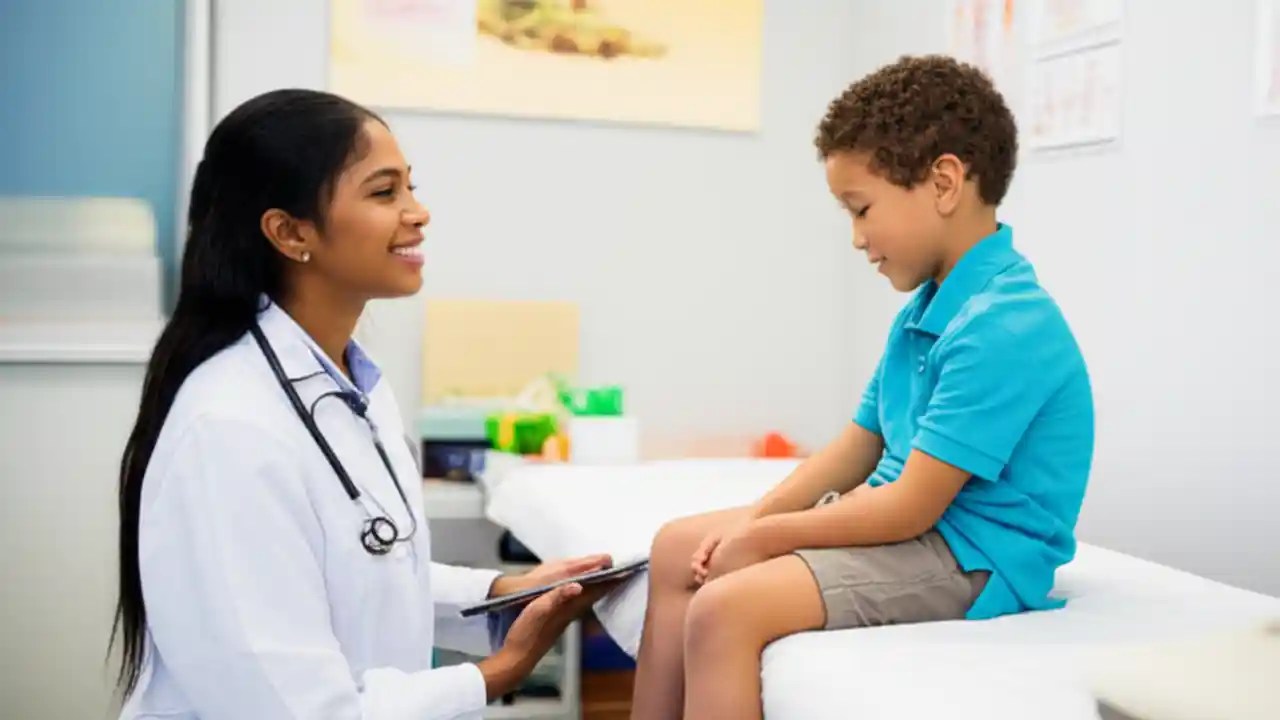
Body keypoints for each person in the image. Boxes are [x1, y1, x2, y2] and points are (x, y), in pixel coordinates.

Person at [112, 88, 616, 719]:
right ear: (290, 232)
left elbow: (366, 568)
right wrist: (494, 675)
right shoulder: (230, 429)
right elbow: (297, 710)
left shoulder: (351, 386)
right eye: (384, 192)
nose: (419, 212)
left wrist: (505, 592)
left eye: (410, 186)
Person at [630, 55, 1095, 720]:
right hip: (919, 530)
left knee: (726, 608)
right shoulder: (926, 310)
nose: (856, 238)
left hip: (973, 554)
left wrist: (768, 539)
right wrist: (756, 518)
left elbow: (910, 508)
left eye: (861, 209)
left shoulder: (1008, 323)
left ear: (943, 183)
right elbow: (858, 446)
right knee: (676, 547)